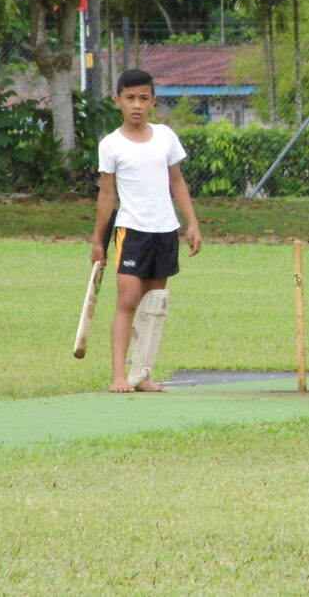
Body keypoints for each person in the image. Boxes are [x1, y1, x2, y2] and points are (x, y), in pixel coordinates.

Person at [92, 68, 202, 393]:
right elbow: (106, 194)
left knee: (153, 304)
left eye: (143, 98)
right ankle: (118, 375)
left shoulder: (166, 136)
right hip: (131, 232)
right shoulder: (111, 144)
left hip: (165, 232)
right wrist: (98, 240)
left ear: (152, 101)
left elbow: (177, 182)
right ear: (118, 101)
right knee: (128, 300)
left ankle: (142, 374)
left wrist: (192, 223)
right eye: (129, 98)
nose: (136, 105)